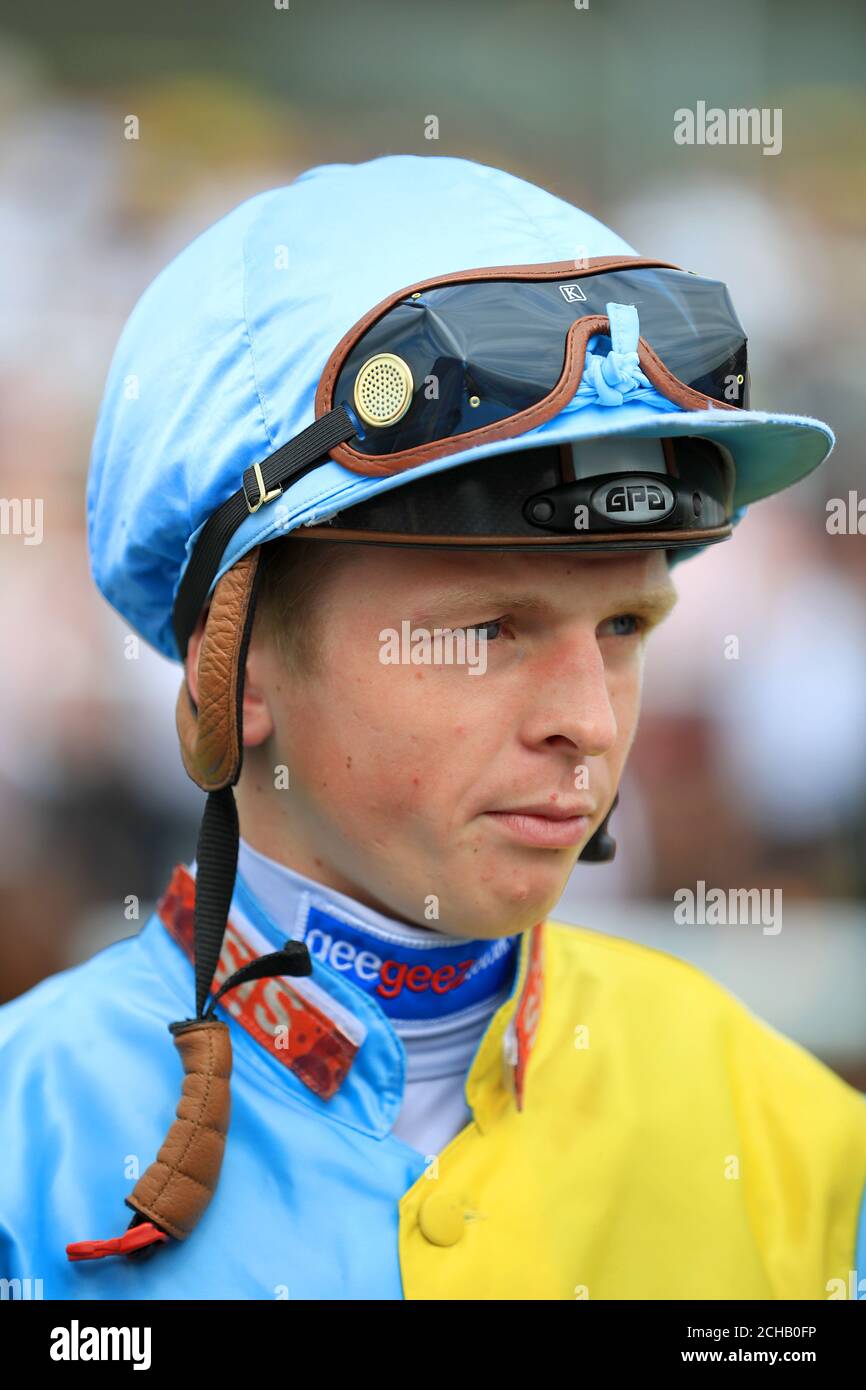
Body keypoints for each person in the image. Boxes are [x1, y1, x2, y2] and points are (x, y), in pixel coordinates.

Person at [1, 154, 864, 1300]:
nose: (586, 722)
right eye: (489, 631)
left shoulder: (796, 1138)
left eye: (620, 625)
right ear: (236, 666)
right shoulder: (29, 1148)